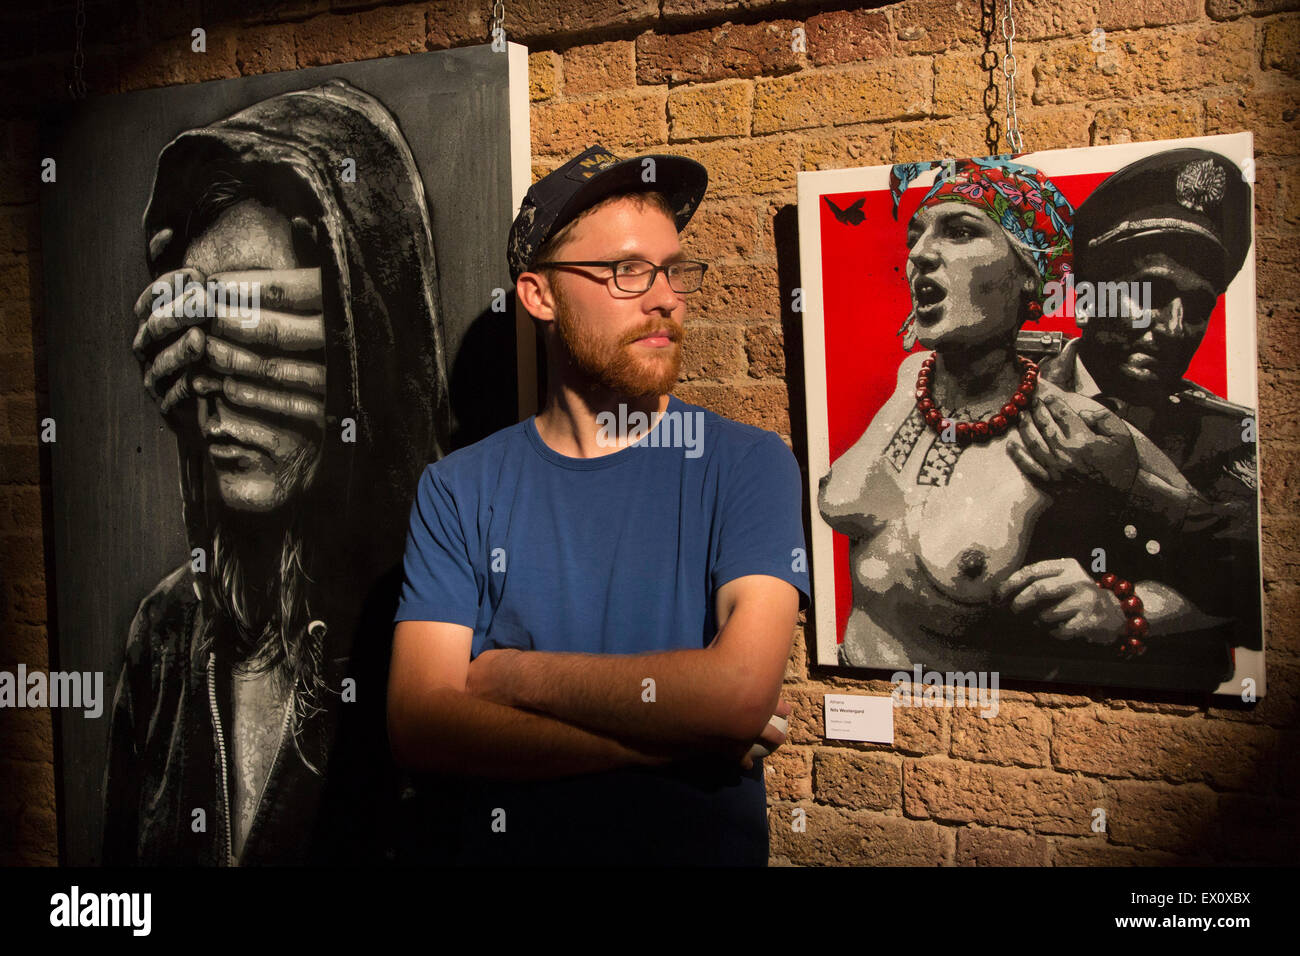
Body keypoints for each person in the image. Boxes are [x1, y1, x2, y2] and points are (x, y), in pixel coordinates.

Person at [387, 145, 809, 866]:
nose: (666, 297)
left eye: (673, 269)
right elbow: (423, 724)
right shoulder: (458, 489)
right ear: (540, 296)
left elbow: (738, 695)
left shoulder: (749, 464)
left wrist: (509, 677)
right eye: (626, 271)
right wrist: (674, 745)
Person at [103, 80, 451, 864]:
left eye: (257, 335)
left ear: (360, 344)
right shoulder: (163, 641)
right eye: (198, 332)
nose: (219, 388)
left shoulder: (435, 637)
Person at [819, 157, 1196, 679]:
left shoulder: (1072, 427)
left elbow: (1229, 568)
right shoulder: (912, 377)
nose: (921, 254)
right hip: (849, 687)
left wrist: (1123, 610)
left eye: (959, 232)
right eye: (917, 236)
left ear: (1027, 274)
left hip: (955, 729)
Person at [1021, 147, 1262, 689]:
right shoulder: (1007, 395)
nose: (1175, 329)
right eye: (1150, 294)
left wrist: (1127, 609)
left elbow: (1258, 583)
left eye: (1197, 307)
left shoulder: (1229, 436)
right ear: (1086, 298)